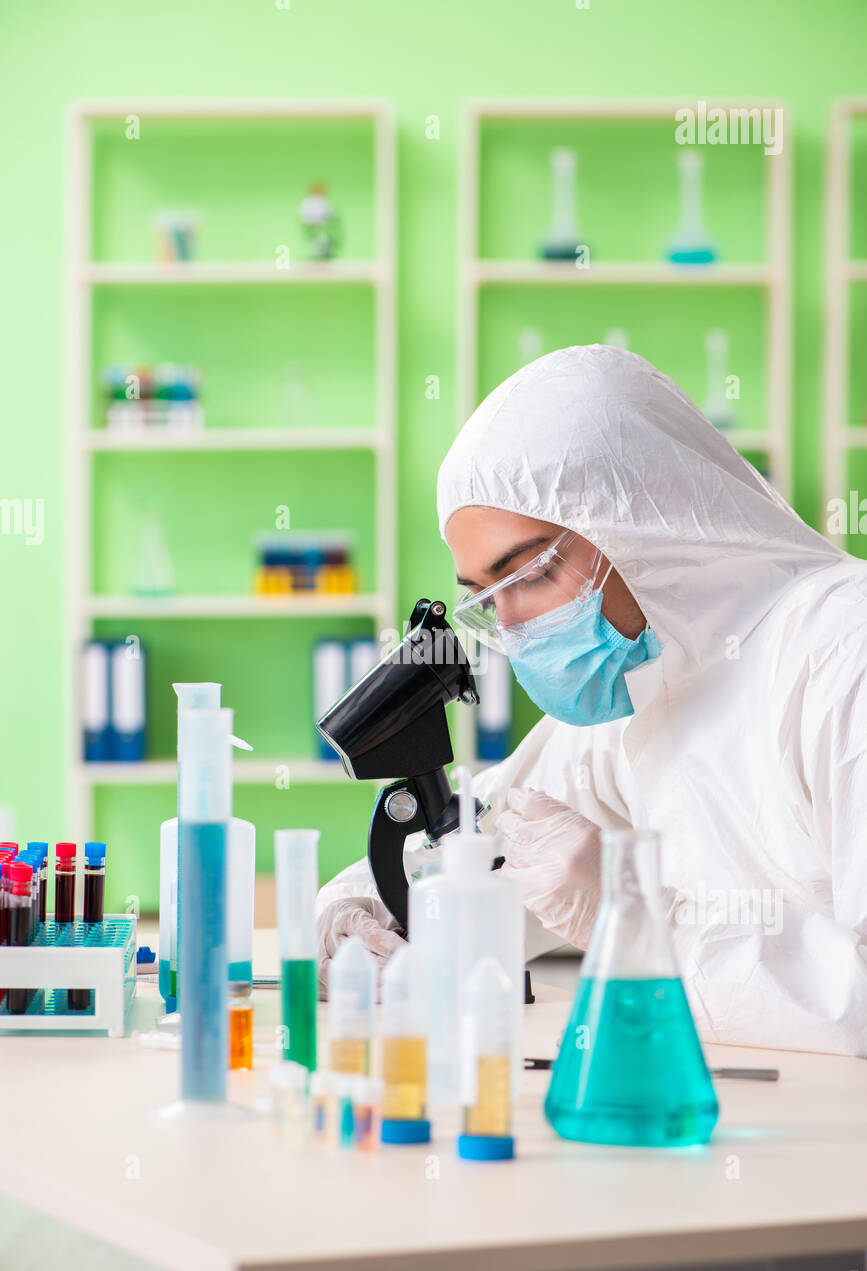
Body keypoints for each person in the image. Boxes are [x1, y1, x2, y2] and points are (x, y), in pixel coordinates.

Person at [317, 345, 867, 1056]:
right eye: (485, 599)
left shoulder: (839, 650)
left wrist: (628, 916)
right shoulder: (639, 689)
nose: (511, 628)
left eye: (530, 574)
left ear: (647, 522)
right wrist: (352, 916)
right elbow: (456, 858)